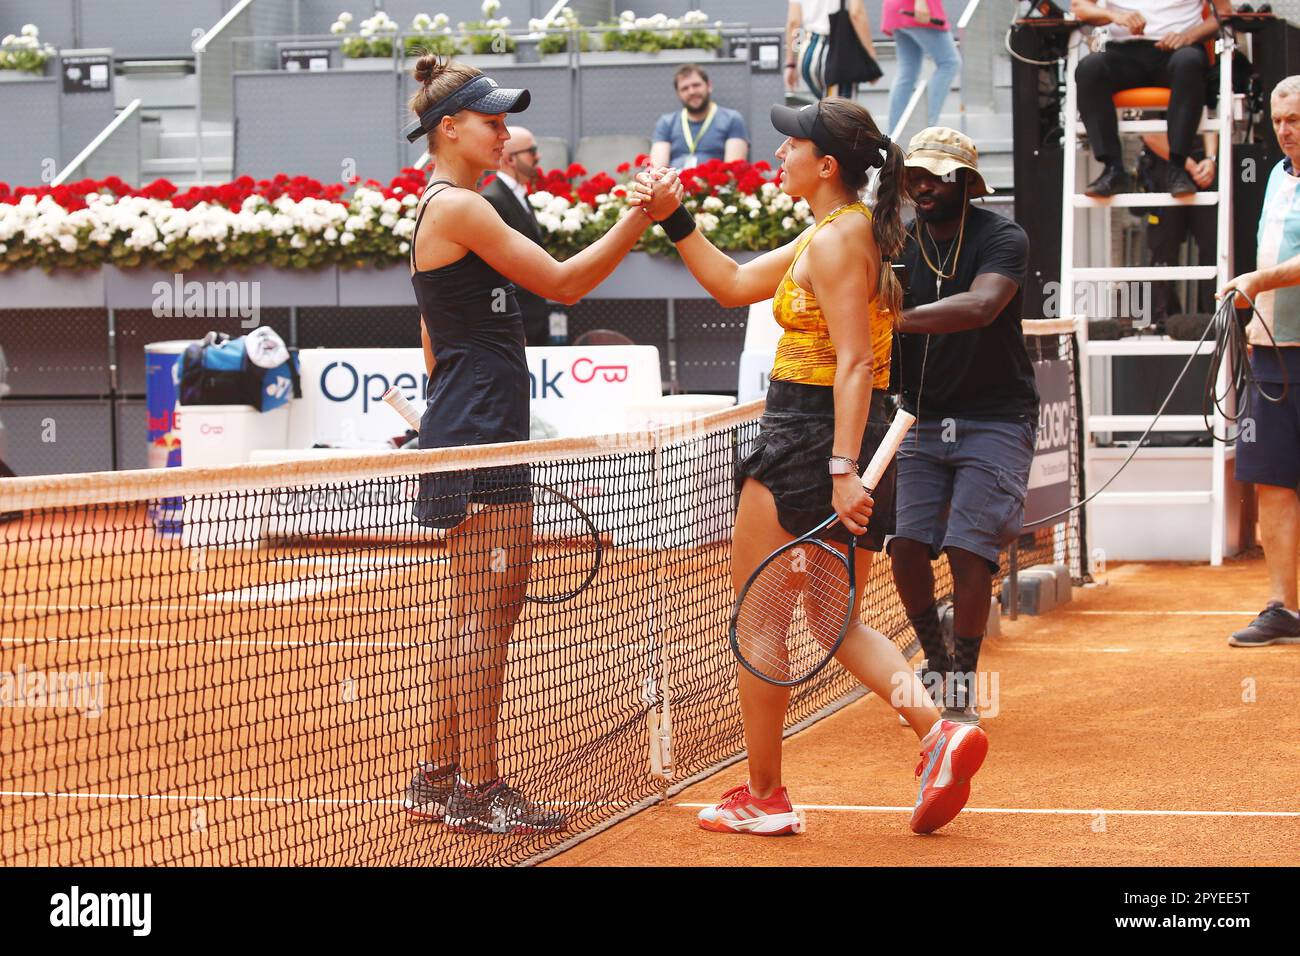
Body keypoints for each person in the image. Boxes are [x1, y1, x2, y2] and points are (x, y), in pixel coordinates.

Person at [633, 98, 989, 837]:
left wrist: (839, 467)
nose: (780, 154)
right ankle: (937, 730)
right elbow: (731, 284)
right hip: (834, 440)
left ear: (826, 165)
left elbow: (857, 361)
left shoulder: (835, 243)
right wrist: (673, 216)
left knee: (758, 616)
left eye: (791, 144)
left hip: (810, 437)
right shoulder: (839, 231)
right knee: (832, 619)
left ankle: (764, 794)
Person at [400, 54, 680, 833]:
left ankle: (436, 774)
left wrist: (448, 406)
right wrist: (641, 217)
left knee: (473, 610)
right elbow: (562, 284)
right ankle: (481, 791)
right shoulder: (460, 206)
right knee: (487, 612)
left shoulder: (445, 205)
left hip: (471, 427)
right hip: (480, 434)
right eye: (490, 123)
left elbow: (432, 335)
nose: (503, 134)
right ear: (447, 130)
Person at [888, 127, 1039, 726]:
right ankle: (936, 659)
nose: (923, 187)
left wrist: (898, 319)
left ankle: (963, 683)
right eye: (914, 176)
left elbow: (982, 306)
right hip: (920, 415)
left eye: (937, 177)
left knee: (968, 552)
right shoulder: (896, 240)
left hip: (998, 415)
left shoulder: (1002, 236)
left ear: (966, 183)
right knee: (904, 544)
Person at [1217, 74, 1300, 649]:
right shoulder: (1275, 175)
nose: (1286, 131)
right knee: (1271, 479)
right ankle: (1283, 608)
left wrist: (1255, 282)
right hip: (1272, 354)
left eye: (1297, 119)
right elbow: (1270, 255)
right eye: (1279, 120)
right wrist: (1250, 317)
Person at [1070, 0, 1232, 197]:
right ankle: (1113, 169)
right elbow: (1079, 7)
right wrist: (1115, 16)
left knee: (1189, 63)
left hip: (1179, 49)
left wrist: (1188, 37)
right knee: (1090, 69)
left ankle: (1177, 168)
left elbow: (1223, 14)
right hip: (1123, 51)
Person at [480, 125, 553, 345]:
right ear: (511, 159)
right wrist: (508, 325)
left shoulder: (518, 195)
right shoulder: (493, 199)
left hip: (532, 320)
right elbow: (495, 272)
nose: (537, 156)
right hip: (516, 325)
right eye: (532, 151)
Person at [1137, 132, 1218, 327]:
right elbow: (1150, 134)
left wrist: (1210, 159)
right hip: (1165, 165)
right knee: (1163, 250)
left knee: (1213, 247)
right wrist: (1188, 165)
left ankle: (1214, 320)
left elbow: (1212, 118)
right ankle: (1163, 322)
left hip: (1204, 166)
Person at [882, 0, 962, 136]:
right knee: (950, 62)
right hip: (915, 8)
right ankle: (924, 125)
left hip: (898, 8)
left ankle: (895, 135)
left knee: (907, 70)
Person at [649, 64, 749, 170]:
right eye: (684, 88)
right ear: (678, 94)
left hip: (714, 184)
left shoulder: (732, 119)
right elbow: (658, 169)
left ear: (709, 86)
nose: (691, 92)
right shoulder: (666, 122)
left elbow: (733, 170)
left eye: (696, 85)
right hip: (675, 184)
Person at [784, 0, 881, 100]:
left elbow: (794, 23)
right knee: (841, 113)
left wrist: (791, 63)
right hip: (838, 52)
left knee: (827, 108)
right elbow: (857, 13)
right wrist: (871, 57)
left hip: (807, 53)